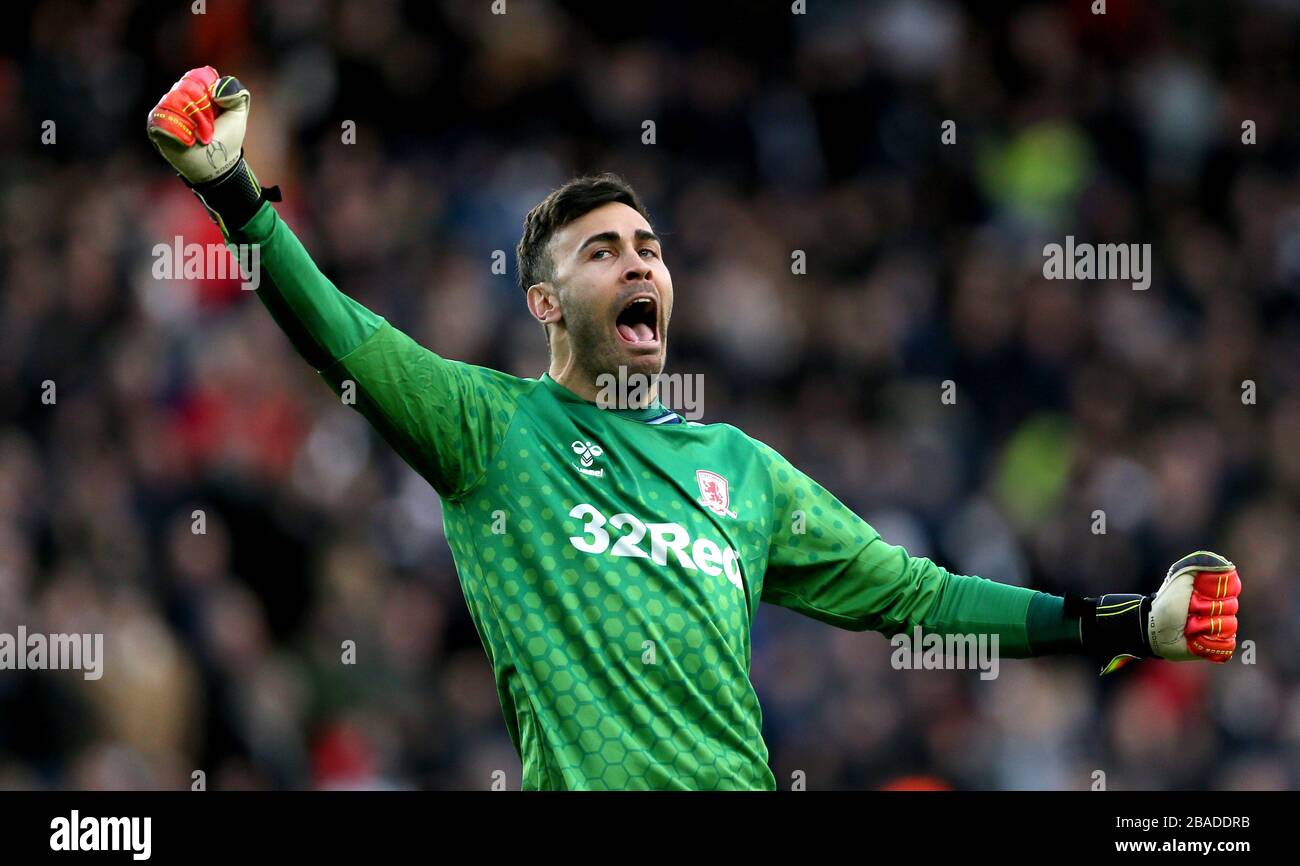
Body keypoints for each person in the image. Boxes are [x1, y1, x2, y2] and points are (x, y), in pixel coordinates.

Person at [146, 67, 1244, 790]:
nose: (640, 262)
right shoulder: (489, 428)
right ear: (544, 304)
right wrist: (234, 192)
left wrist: (1117, 624)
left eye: (652, 248)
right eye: (603, 250)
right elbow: (338, 335)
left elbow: (919, 602)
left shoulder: (742, 472)